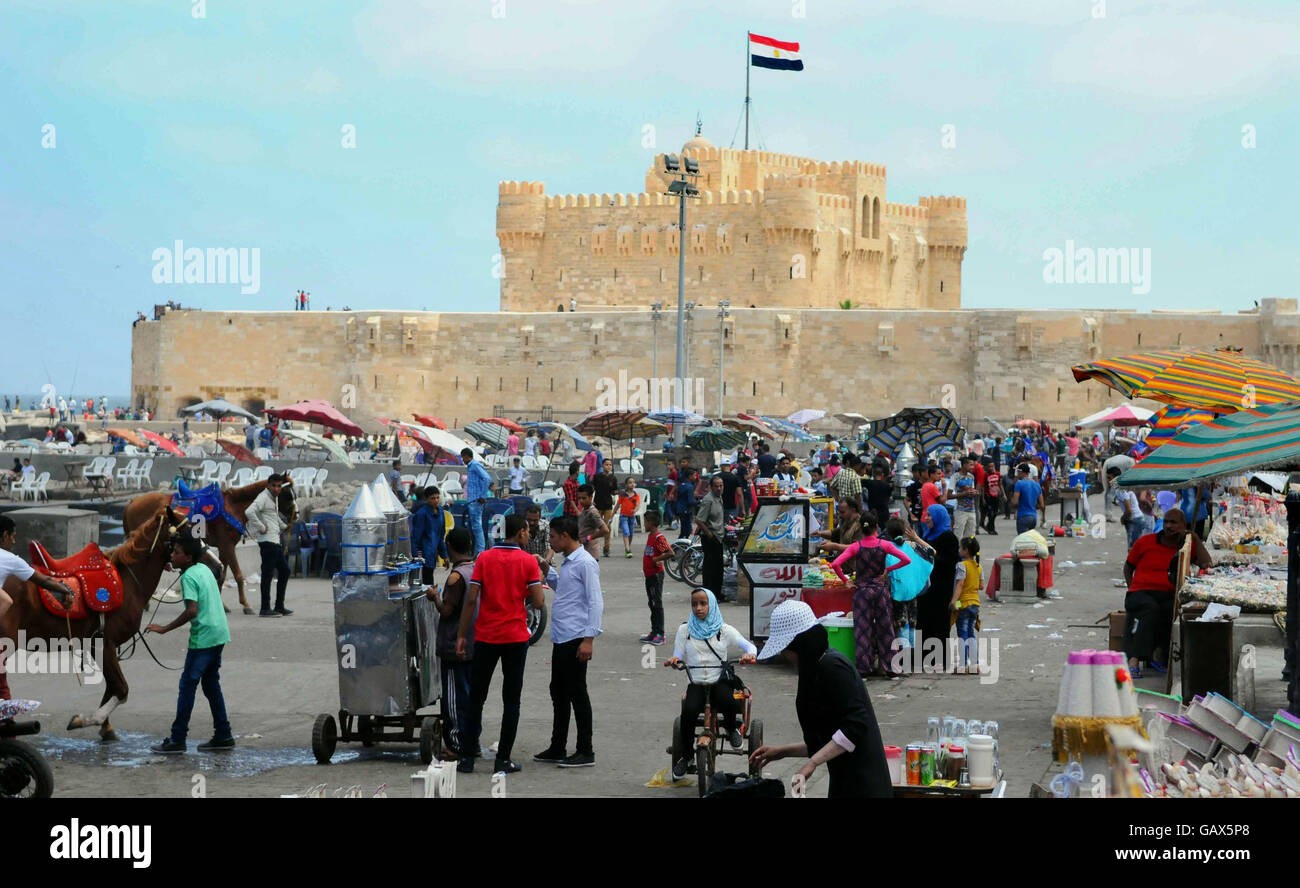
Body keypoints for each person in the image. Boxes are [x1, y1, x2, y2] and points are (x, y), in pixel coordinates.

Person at [750, 600, 892, 797]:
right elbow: (827, 740)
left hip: (865, 784)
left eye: (784, 648)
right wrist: (780, 751)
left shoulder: (833, 667)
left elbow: (855, 727)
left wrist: (812, 763)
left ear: (798, 645)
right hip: (844, 781)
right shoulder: (817, 667)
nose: (784, 654)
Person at [457, 514, 545, 774]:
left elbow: (471, 599)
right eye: (528, 531)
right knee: (512, 700)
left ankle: (467, 758)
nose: (529, 535)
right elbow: (539, 602)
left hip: (486, 636)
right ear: (520, 533)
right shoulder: (528, 561)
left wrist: (462, 634)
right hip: (515, 638)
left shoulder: (484, 558)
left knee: (476, 698)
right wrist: (530, 585)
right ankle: (502, 759)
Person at [147, 534, 234, 753]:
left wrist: (165, 628)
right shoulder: (203, 569)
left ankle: (177, 739)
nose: (173, 555)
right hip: (219, 633)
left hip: (203, 637)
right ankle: (223, 735)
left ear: (188, 557)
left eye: (177, 552)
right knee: (211, 684)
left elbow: (192, 610)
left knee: (187, 686)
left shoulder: (188, 578)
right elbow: (218, 571)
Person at [533, 515, 603, 768]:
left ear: (565, 536)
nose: (550, 542)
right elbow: (564, 588)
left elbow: (595, 601)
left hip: (576, 637)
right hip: (562, 637)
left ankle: (586, 750)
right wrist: (546, 568)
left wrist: (589, 639)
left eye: (552, 536)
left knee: (577, 693)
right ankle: (557, 745)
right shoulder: (570, 562)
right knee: (559, 692)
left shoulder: (585, 563)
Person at [665, 588, 757, 779]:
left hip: (719, 681)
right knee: (688, 713)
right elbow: (677, 655)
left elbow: (749, 646)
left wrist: (749, 654)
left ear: (712, 605)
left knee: (729, 701)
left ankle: (732, 728)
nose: (698, 608)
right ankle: (687, 757)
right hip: (696, 683)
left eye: (703, 603)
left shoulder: (724, 630)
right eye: (694, 604)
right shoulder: (685, 630)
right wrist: (675, 661)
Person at [1123, 509, 1211, 678]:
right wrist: (1131, 588)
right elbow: (1128, 567)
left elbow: (1206, 564)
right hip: (1140, 593)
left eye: (1173, 523)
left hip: (1166, 593)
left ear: (1183, 526)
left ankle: (1158, 655)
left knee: (1173, 610)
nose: (1169, 526)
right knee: (1150, 609)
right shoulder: (1145, 542)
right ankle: (1134, 659)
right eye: (1166, 522)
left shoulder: (1186, 546)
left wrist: (1194, 538)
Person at [830, 513, 911, 678]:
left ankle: (863, 670)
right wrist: (888, 570)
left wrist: (846, 580)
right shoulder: (884, 545)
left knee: (862, 631)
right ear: (876, 528)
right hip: (881, 591)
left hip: (862, 592)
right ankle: (891, 669)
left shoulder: (856, 546)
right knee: (886, 629)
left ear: (861, 528)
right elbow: (906, 560)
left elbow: (836, 564)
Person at [0, 515, 73, 697]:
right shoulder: (10, 559)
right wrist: (65, 590)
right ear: (4, 535)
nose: (14, 541)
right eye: (13, 536)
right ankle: (6, 719)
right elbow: (43, 580)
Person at [425, 528, 475, 759]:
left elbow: (446, 611)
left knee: (454, 699)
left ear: (450, 548)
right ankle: (471, 742)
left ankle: (456, 745)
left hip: (455, 645)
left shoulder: (456, 577)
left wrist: (435, 596)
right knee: (471, 696)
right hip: (475, 643)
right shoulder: (474, 570)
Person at [917, 504, 959, 672]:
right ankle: (923, 658)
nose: (926, 519)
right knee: (924, 620)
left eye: (929, 516)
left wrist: (927, 550)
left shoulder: (949, 537)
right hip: (926, 587)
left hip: (942, 587)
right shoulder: (927, 535)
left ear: (938, 517)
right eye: (926, 515)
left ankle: (940, 660)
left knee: (940, 623)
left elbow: (948, 562)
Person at [246, 473, 292, 617]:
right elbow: (249, 512)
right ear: (268, 485)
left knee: (285, 571)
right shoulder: (263, 497)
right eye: (274, 485)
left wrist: (284, 526)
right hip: (267, 541)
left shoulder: (274, 499)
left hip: (275, 541)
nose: (277, 489)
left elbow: (273, 516)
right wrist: (261, 527)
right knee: (268, 574)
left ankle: (279, 606)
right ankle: (265, 608)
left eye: (279, 486)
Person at [639, 509, 673, 645]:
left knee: (656, 604)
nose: (644, 524)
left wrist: (657, 558)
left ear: (651, 523)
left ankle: (660, 634)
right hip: (649, 575)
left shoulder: (659, 537)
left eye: (646, 521)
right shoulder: (651, 536)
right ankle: (654, 632)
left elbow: (670, 553)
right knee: (652, 603)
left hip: (655, 576)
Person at [950, 537, 982, 674]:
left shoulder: (961, 565)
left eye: (960, 548)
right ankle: (974, 665)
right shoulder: (978, 567)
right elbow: (981, 586)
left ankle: (963, 666)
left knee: (962, 634)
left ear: (966, 550)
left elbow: (960, 584)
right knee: (971, 634)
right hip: (975, 603)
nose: (959, 550)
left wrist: (953, 601)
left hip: (962, 602)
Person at [694, 474, 727, 602]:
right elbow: (699, 520)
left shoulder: (719, 498)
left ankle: (717, 594)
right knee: (710, 569)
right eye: (716, 486)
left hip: (719, 536)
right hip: (711, 537)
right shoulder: (708, 500)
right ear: (711, 487)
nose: (719, 488)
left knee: (718, 568)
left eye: (721, 486)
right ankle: (709, 595)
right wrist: (709, 533)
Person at [411, 486, 449, 586]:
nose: (436, 500)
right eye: (432, 498)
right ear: (426, 499)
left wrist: (444, 556)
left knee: (430, 581)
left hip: (433, 555)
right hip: (423, 556)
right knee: (425, 584)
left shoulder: (441, 512)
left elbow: (441, 536)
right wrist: (415, 557)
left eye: (437, 497)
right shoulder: (421, 514)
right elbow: (415, 537)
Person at [462, 447, 493, 555]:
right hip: (473, 500)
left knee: (477, 528)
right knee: (475, 528)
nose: (463, 460)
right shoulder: (472, 466)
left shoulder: (474, 465)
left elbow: (487, 478)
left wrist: (482, 495)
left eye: (463, 458)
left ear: (466, 456)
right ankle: (477, 552)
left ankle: (480, 553)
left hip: (476, 500)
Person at [592, 459, 619, 557]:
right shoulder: (597, 477)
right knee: (595, 527)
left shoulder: (613, 478)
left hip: (608, 505)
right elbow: (592, 489)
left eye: (610, 465)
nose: (608, 466)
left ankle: (606, 548)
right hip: (598, 504)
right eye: (606, 464)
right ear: (602, 466)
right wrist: (592, 501)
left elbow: (614, 491)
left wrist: (617, 491)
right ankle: (593, 547)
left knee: (607, 527)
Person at [576, 484, 609, 559]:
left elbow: (605, 530)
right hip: (583, 551)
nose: (581, 501)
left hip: (590, 552)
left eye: (584, 498)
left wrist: (588, 538)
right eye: (579, 498)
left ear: (591, 497)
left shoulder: (592, 512)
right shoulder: (585, 509)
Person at [1010, 464, 1044, 534]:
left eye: (1018, 472)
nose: (1017, 474)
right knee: (1029, 540)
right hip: (1033, 518)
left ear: (1021, 472)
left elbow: (1015, 502)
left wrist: (1014, 508)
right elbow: (1042, 505)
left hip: (1023, 516)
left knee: (1023, 541)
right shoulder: (1037, 485)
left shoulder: (1019, 484)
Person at [1102, 454, 1136, 521]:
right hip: (1121, 464)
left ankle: (1108, 513)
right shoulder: (1131, 462)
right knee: (1112, 491)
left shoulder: (1129, 459)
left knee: (1109, 492)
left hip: (1116, 461)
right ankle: (1109, 515)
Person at [952, 457, 978, 540]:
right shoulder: (955, 477)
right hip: (960, 510)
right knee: (958, 535)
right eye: (970, 465)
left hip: (971, 510)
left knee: (971, 536)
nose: (972, 467)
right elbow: (949, 495)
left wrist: (975, 492)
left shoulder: (971, 477)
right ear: (964, 465)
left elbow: (972, 490)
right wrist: (964, 494)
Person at [864, 463, 893, 530]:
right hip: (884, 512)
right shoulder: (887, 485)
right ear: (882, 474)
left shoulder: (869, 483)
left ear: (873, 474)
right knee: (884, 531)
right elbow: (889, 496)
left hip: (873, 512)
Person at [616, 477, 640, 558]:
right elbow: (617, 505)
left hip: (632, 517)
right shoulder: (622, 495)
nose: (632, 484)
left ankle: (628, 547)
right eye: (630, 482)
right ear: (626, 484)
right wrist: (612, 515)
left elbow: (637, 505)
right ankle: (628, 549)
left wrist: (635, 510)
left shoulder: (636, 496)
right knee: (626, 532)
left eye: (633, 482)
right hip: (623, 516)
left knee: (631, 533)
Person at [981, 458, 1001, 535]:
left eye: (992, 466)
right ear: (986, 467)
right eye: (989, 466)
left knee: (995, 513)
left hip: (996, 496)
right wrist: (983, 498)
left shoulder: (998, 474)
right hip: (988, 496)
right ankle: (992, 529)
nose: (991, 468)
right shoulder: (985, 475)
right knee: (990, 513)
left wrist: (1003, 494)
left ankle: (989, 526)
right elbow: (983, 487)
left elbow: (1000, 484)